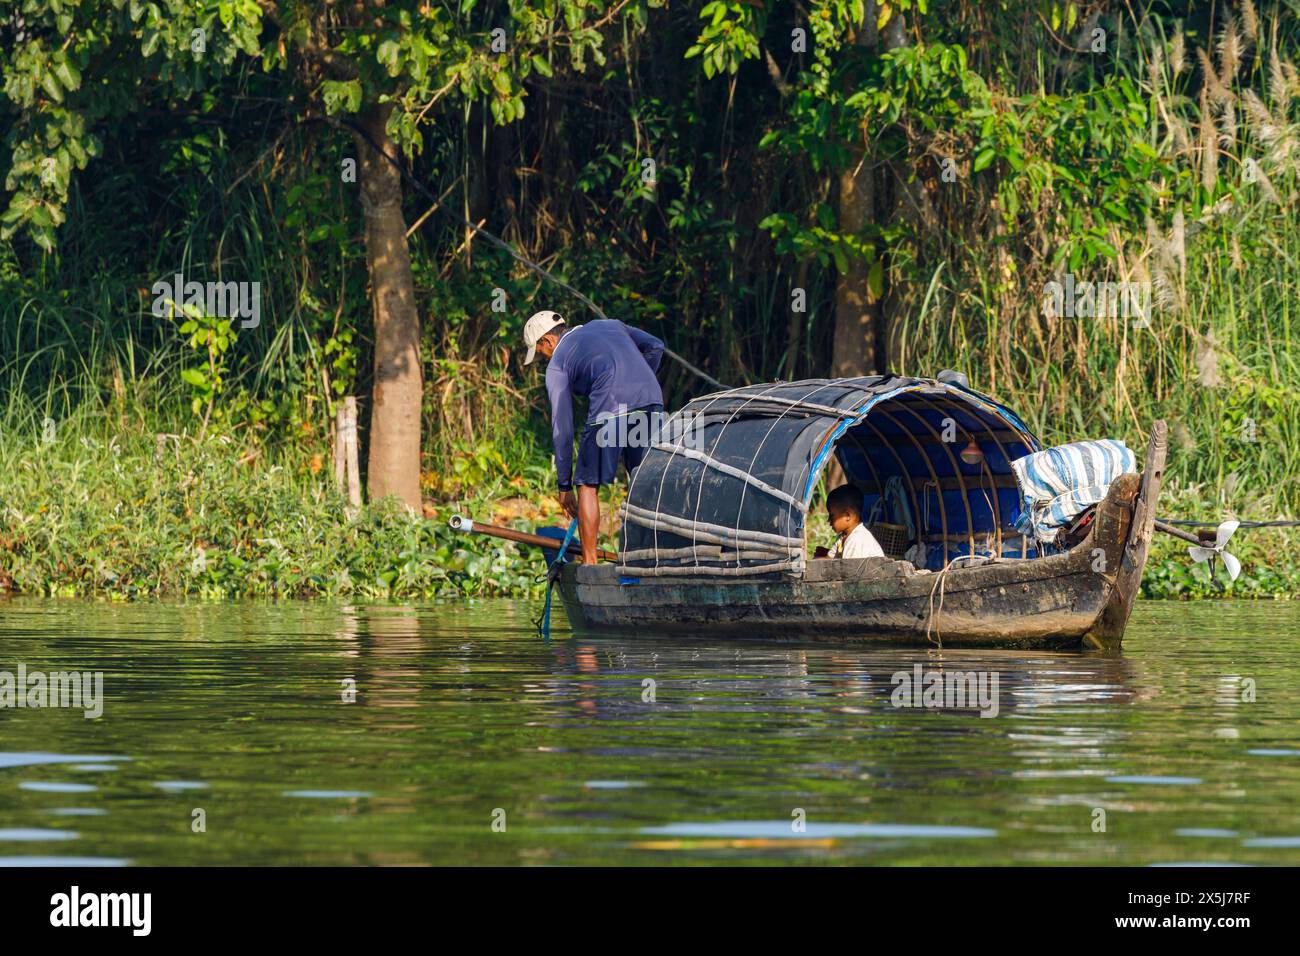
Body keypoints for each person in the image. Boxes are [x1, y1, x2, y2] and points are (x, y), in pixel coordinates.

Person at [523, 310, 665, 565]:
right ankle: (653, 558)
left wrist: (564, 486)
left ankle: (590, 564)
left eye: (540, 352)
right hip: (651, 399)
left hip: (609, 408)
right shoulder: (611, 323)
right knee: (645, 479)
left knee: (587, 484)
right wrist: (638, 387)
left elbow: (562, 429)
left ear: (547, 341)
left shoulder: (557, 365)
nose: (543, 359)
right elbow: (656, 346)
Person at [814, 484, 886, 560]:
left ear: (848, 516)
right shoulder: (842, 537)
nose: (829, 521)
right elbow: (828, 559)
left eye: (832, 515)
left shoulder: (856, 540)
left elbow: (847, 570)